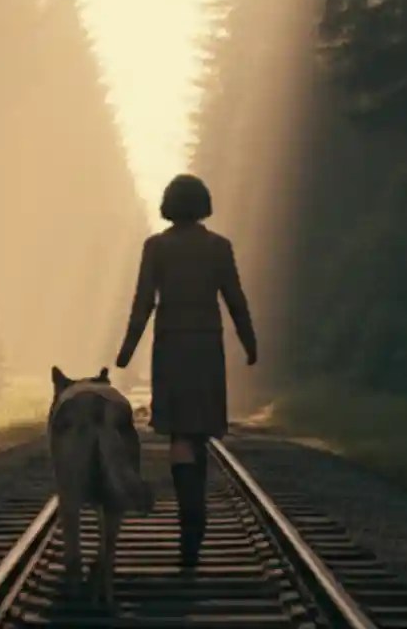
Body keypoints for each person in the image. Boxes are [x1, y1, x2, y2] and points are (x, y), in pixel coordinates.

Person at [115, 173, 257, 567]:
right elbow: (235, 299)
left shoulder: (156, 247)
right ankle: (197, 510)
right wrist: (249, 342)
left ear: (169, 206)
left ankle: (187, 511)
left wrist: (126, 351)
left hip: (172, 348)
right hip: (207, 349)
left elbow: (143, 302)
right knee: (201, 431)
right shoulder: (219, 247)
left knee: (180, 434)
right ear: (203, 204)